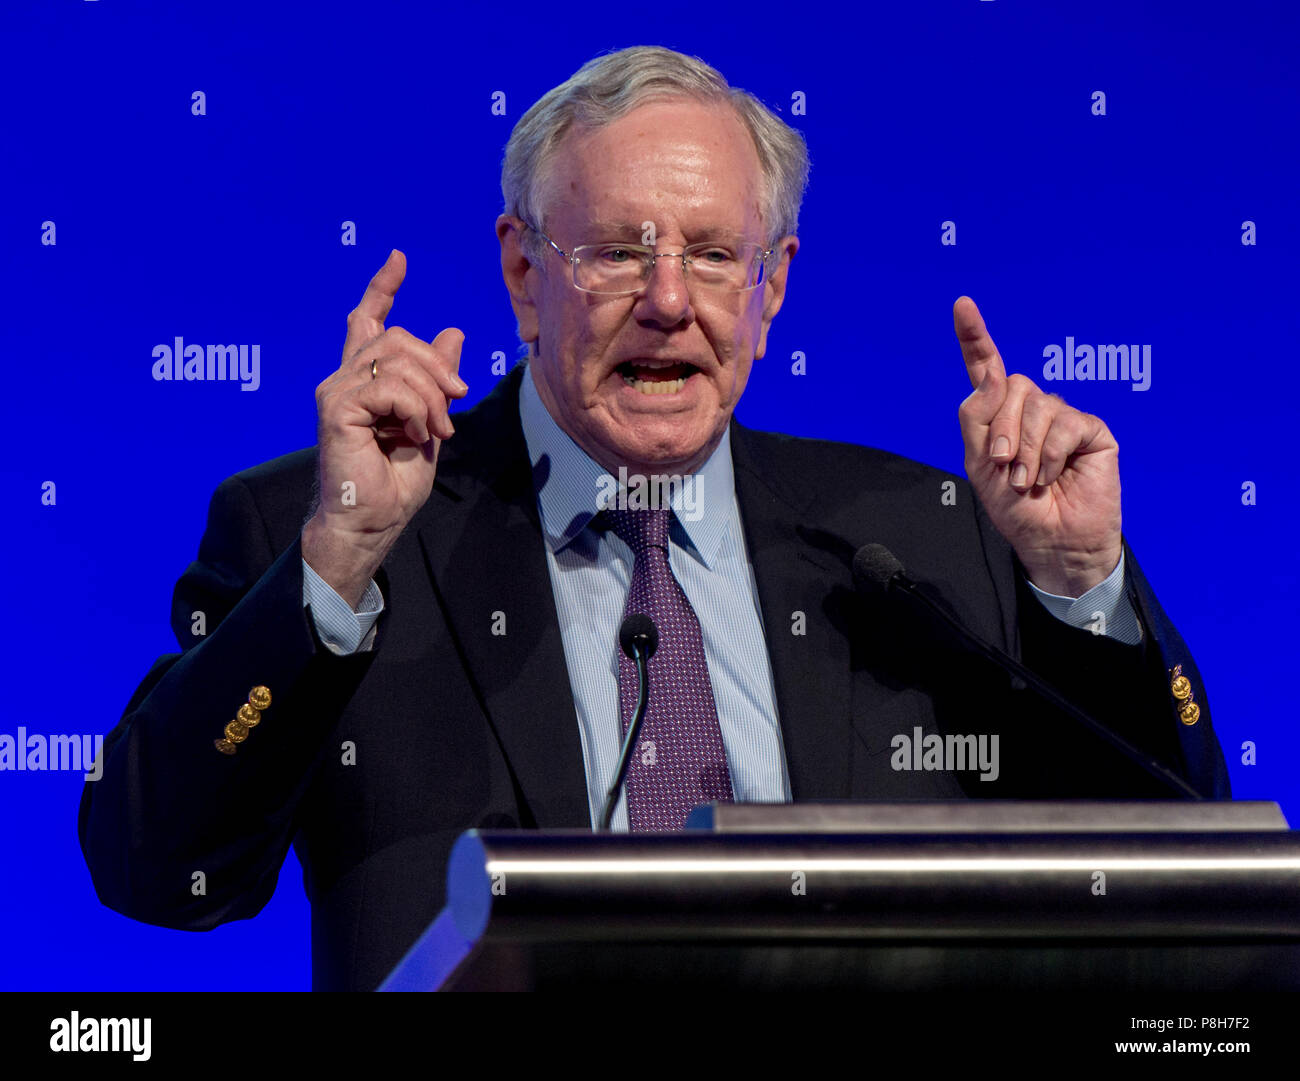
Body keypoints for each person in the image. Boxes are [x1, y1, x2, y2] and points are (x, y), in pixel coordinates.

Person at [79, 45, 1229, 991]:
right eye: (619, 252)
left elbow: (1182, 880)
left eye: (714, 256)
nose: (670, 300)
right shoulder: (335, 524)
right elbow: (154, 869)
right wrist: (334, 564)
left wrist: (1081, 582)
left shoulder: (920, 539)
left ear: (772, 288)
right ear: (523, 272)